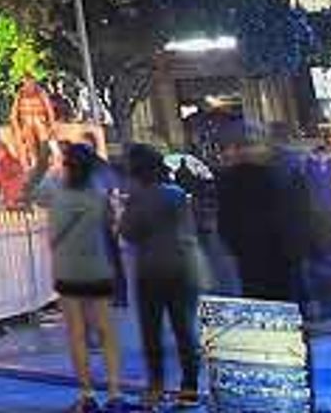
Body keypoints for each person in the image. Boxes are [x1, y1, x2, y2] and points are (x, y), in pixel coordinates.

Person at [123, 143, 209, 411]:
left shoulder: (140, 197)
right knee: (185, 329)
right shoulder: (177, 193)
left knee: (152, 330)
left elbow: (128, 231)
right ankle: (190, 387)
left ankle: (156, 387)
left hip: (151, 269)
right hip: (183, 267)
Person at [42, 141, 125, 413]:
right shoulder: (99, 194)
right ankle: (114, 392)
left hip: (67, 270)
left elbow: (28, 190)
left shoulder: (56, 193)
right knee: (106, 332)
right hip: (97, 267)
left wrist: (43, 163)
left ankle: (87, 393)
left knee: (77, 334)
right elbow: (112, 225)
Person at [214, 137, 311, 307]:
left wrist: (233, 246)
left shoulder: (228, 180)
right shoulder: (272, 175)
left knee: (257, 295)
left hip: (249, 250)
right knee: (281, 294)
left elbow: (224, 219)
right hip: (275, 247)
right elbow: (289, 211)